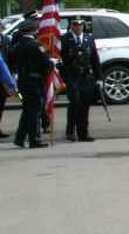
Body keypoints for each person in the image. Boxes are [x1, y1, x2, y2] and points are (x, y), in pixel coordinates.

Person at [9, 19, 51, 149]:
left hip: (22, 82)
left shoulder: (17, 45)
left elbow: (12, 61)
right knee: (35, 111)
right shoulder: (36, 45)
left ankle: (20, 138)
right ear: (34, 30)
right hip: (35, 82)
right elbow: (45, 63)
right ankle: (35, 139)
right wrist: (52, 64)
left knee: (27, 110)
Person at [61, 18, 101, 142]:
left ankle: (83, 133)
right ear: (71, 26)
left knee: (85, 105)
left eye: (80, 25)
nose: (78, 27)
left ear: (83, 26)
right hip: (72, 76)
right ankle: (70, 131)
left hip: (86, 76)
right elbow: (62, 58)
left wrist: (99, 77)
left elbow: (94, 58)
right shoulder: (65, 39)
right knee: (74, 104)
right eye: (75, 25)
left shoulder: (89, 39)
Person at [0, 30, 13, 139]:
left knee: (1, 105)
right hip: (3, 80)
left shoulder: (6, 39)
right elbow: (4, 71)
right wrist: (12, 84)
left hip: (3, 81)